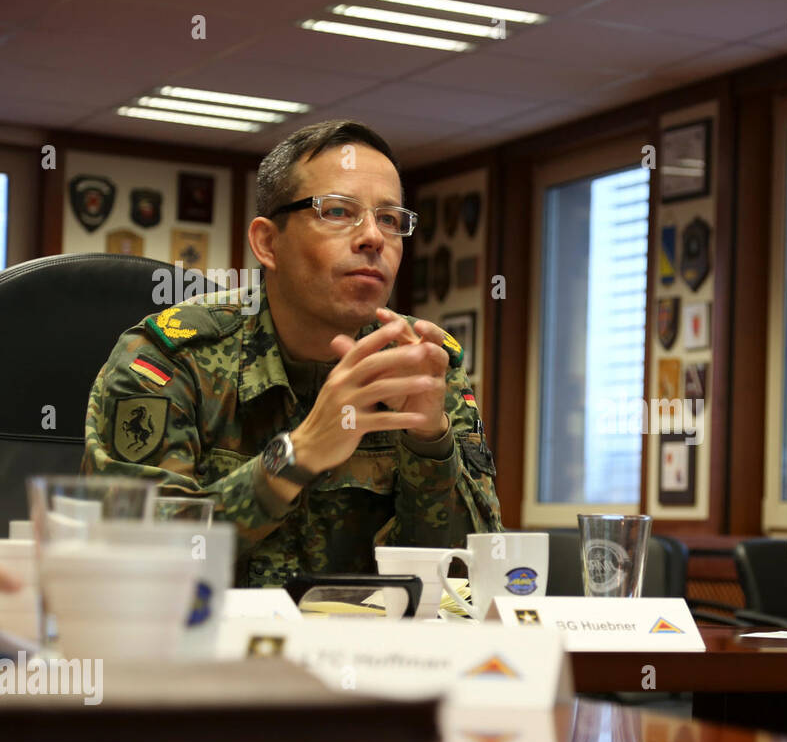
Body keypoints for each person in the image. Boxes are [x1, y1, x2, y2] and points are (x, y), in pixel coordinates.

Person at [83, 120, 501, 587]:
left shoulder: (421, 364)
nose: (373, 238)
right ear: (268, 243)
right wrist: (297, 454)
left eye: (389, 219)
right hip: (206, 651)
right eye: (339, 212)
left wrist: (430, 443)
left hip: (370, 653)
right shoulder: (169, 359)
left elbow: (471, 580)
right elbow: (133, 563)